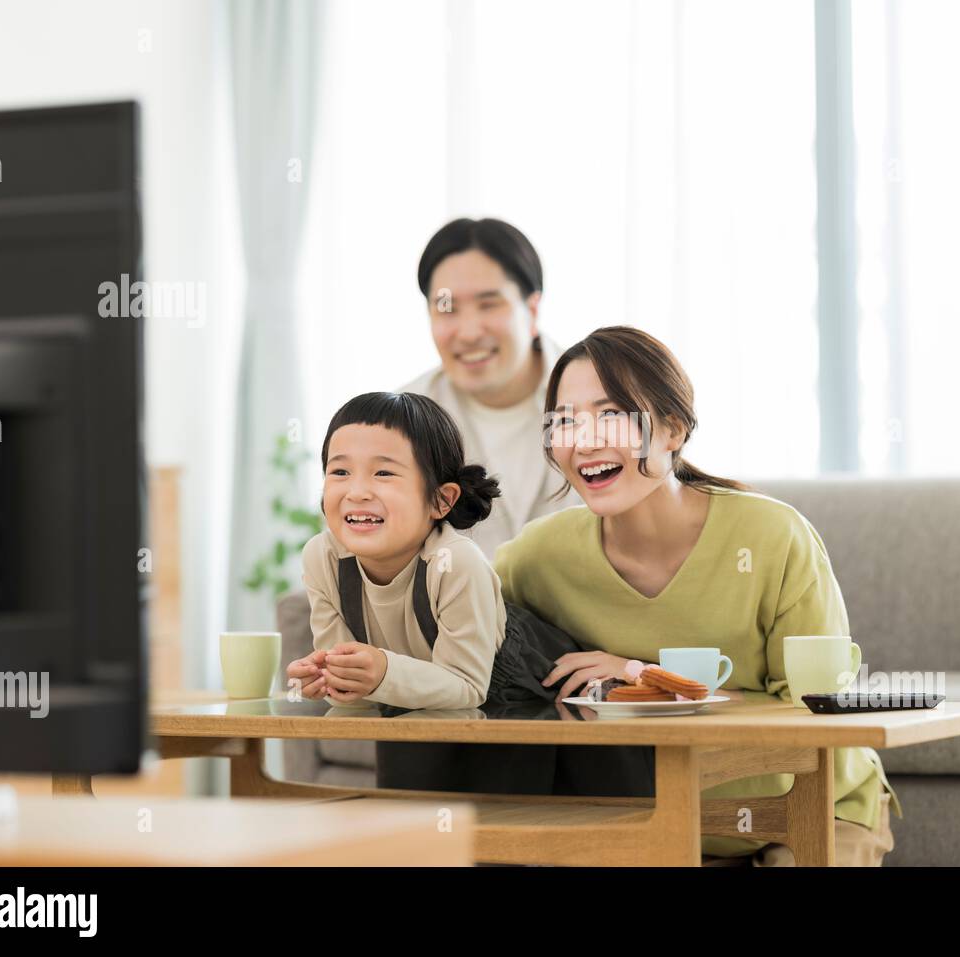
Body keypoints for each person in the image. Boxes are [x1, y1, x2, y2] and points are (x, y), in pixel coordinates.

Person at [493, 326, 902, 865]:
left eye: (612, 413)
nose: (584, 440)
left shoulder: (773, 538)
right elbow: (449, 612)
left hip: (810, 810)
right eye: (565, 420)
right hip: (655, 826)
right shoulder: (540, 556)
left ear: (672, 429)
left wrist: (647, 682)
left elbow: (814, 712)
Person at [285, 390, 648, 796]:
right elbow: (355, 687)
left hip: (523, 695)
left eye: (383, 473)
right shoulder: (323, 559)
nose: (357, 491)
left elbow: (467, 687)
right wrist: (329, 677)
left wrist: (381, 671)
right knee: (407, 828)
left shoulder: (456, 563)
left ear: (442, 499)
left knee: (509, 835)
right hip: (412, 698)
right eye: (340, 472)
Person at [400, 217, 581, 559]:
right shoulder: (402, 422)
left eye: (488, 304)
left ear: (532, 309)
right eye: (446, 308)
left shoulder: (606, 398)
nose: (468, 332)